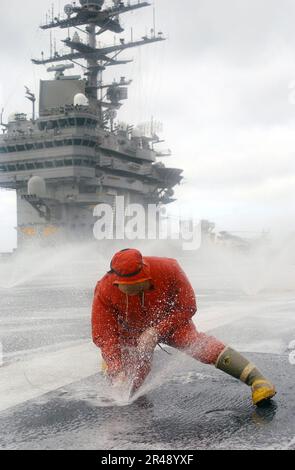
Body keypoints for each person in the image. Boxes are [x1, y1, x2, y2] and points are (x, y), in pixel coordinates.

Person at [91, 248, 276, 405]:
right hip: (131, 333)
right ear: (116, 282)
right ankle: (113, 370)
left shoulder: (170, 268)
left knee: (198, 345)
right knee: (130, 380)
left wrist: (156, 331)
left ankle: (257, 380)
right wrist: (117, 369)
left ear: (146, 272)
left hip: (172, 321)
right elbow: (105, 335)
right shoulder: (104, 289)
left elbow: (188, 306)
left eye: (141, 287)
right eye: (130, 290)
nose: (137, 292)